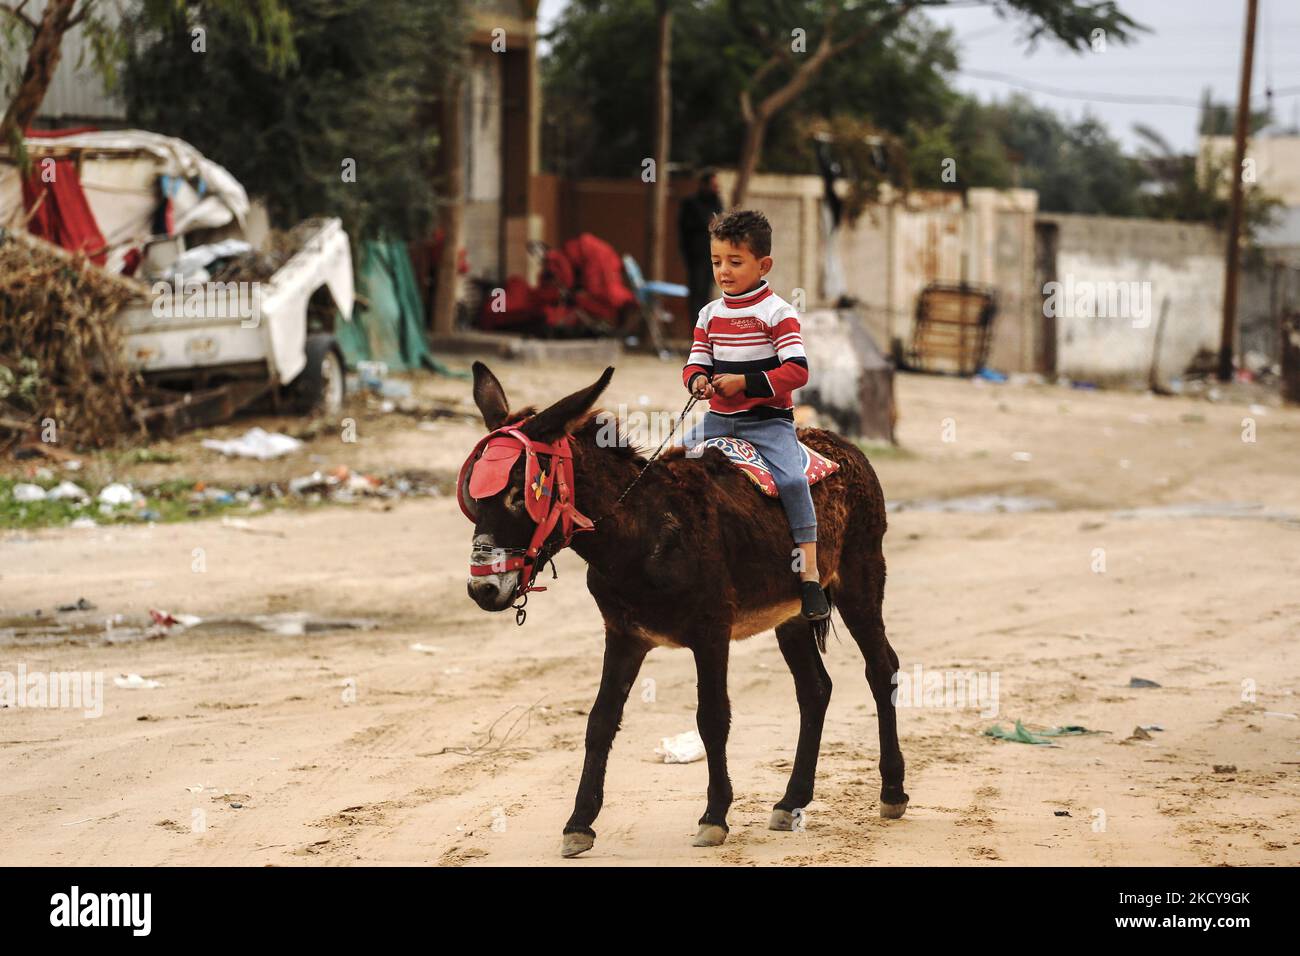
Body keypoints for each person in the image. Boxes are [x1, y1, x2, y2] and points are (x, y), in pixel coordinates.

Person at [680, 208, 830, 621]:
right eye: (716, 262)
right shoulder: (708, 315)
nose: (723, 271)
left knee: (793, 481)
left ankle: (810, 578)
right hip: (716, 420)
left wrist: (745, 383)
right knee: (669, 468)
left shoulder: (778, 313)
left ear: (763, 264)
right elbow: (695, 363)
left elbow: (796, 371)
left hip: (768, 423)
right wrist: (697, 382)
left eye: (735, 261)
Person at [677, 168, 723, 321]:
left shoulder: (716, 202)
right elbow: (686, 228)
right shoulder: (691, 203)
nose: (716, 189)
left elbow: (718, 223)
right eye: (713, 185)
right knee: (696, 294)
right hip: (696, 256)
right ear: (704, 185)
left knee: (707, 293)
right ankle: (696, 330)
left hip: (713, 255)